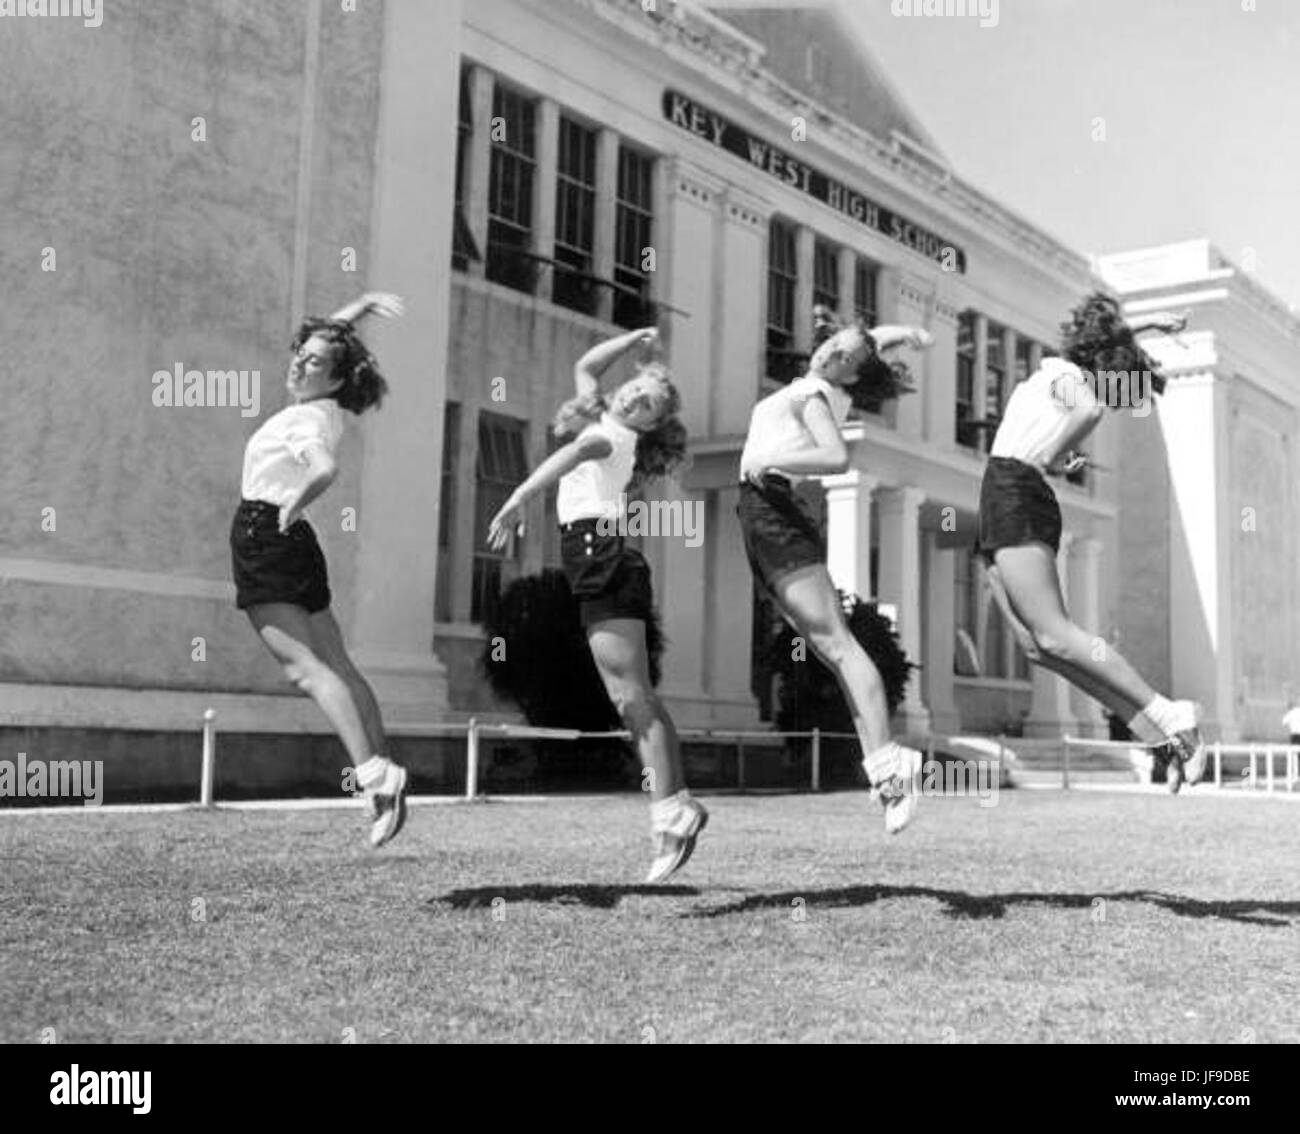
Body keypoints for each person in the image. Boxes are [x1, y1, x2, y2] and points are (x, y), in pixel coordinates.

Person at [487, 327, 705, 883]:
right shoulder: (603, 416)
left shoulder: (612, 439)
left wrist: (517, 498)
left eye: (649, 403)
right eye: (636, 389)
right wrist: (634, 340)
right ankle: (677, 804)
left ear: (651, 424)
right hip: (594, 559)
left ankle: (671, 812)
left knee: (630, 698)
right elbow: (587, 365)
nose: (635, 397)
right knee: (634, 697)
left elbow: (575, 451)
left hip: (601, 557)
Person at [977, 292, 1206, 792]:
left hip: (1017, 487)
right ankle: (1159, 736)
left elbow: (1090, 410)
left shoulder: (1066, 377)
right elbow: (1099, 342)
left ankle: (1170, 712)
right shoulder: (1061, 368)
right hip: (1001, 491)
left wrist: (1055, 455)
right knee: (1035, 646)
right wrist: (1149, 321)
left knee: (1056, 634)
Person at [737, 310, 934, 833]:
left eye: (844, 356)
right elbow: (868, 341)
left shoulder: (815, 396)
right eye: (832, 345)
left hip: (774, 510)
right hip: (762, 515)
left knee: (840, 645)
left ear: (850, 375)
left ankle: (893, 764)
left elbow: (834, 454)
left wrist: (774, 459)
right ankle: (886, 772)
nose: (831, 353)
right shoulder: (820, 384)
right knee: (831, 650)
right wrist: (906, 335)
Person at [230, 292, 410, 846]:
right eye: (298, 354)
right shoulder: (326, 408)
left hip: (269, 533)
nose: (298, 363)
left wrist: (293, 502)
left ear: (333, 380)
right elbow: (329, 340)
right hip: (297, 543)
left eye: (312, 362)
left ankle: (374, 779)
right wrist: (359, 307)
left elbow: (324, 468)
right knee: (338, 663)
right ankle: (382, 766)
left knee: (303, 669)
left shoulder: (305, 420)